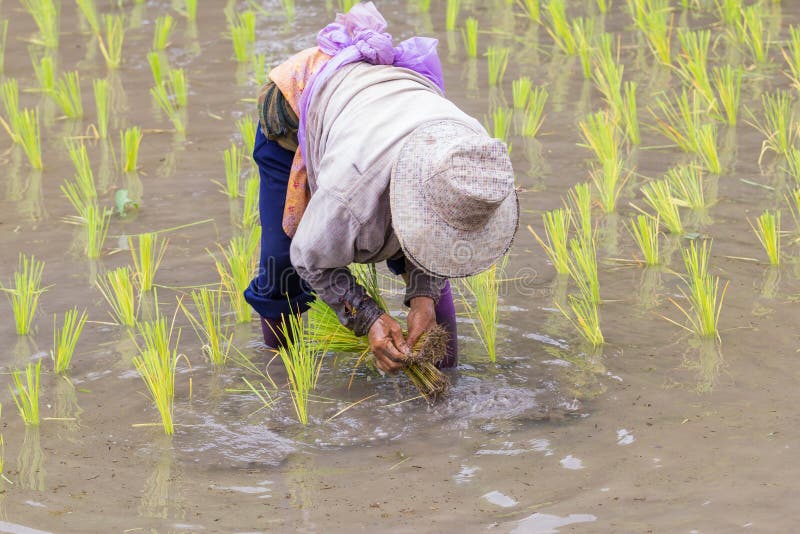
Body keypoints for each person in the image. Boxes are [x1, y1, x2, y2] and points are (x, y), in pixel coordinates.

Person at [243, 2, 518, 374]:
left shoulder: (472, 156)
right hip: (298, 104)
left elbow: (443, 233)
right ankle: (282, 377)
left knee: (434, 265)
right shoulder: (353, 190)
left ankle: (445, 385)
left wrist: (423, 299)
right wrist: (369, 316)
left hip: (379, 107)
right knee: (281, 264)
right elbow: (309, 257)